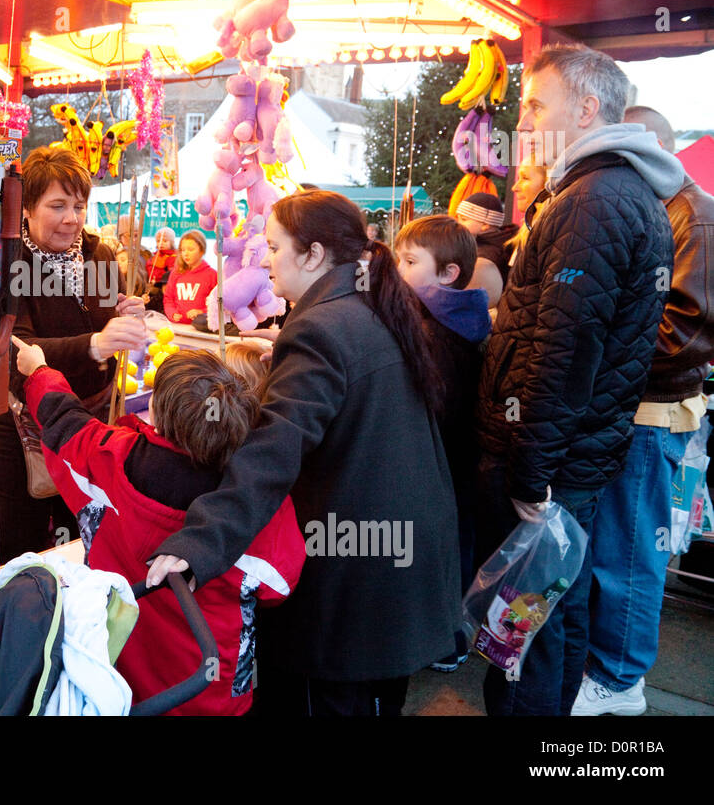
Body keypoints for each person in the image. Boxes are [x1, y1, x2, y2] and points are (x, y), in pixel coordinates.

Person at [148, 191, 460, 716]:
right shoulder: (370, 306)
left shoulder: (319, 328)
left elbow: (273, 450)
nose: (266, 261)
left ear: (313, 255)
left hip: (354, 582)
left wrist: (202, 540)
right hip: (402, 566)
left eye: (274, 248)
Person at [475, 45, 684, 717]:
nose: (525, 117)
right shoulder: (610, 190)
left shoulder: (593, 200)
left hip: (554, 466)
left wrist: (532, 476)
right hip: (573, 461)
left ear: (587, 108)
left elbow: (562, 356)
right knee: (551, 616)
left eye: (537, 103)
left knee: (527, 630)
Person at [15, 341, 304, 715]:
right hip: (209, 691)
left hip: (116, 681)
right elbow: (278, 586)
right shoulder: (259, 502)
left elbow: (64, 420)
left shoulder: (110, 457)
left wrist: (40, 371)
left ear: (158, 414)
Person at [574, 106, 714, 715]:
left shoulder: (696, 215)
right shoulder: (663, 206)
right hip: (627, 406)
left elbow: (686, 330)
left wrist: (595, 347)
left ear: (653, 146)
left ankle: (621, 679)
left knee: (630, 549)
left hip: (652, 411)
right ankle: (609, 666)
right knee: (614, 544)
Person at [0, 147, 146, 561]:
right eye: (57, 206)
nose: (72, 219)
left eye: (79, 206)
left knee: (83, 532)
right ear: (26, 208)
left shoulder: (97, 255)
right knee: (23, 542)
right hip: (28, 425)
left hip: (89, 421)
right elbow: (18, 349)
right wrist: (97, 342)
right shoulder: (10, 261)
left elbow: (99, 320)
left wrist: (122, 313)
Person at [395, 214, 491, 671]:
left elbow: (430, 406)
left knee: (442, 556)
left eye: (410, 260)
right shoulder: (463, 319)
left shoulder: (432, 330)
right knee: (456, 549)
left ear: (448, 273)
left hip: (442, 465)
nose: (398, 269)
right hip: (461, 464)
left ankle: (447, 640)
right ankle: (451, 636)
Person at [457, 191, 517, 305]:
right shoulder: (492, 244)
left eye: (464, 219)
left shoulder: (487, 253)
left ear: (485, 224)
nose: (458, 223)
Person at [507, 150, 550, 270]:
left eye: (525, 178)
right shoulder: (528, 228)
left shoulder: (547, 232)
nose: (514, 187)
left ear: (547, 183)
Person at [162, 230, 217, 324]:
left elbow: (217, 304)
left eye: (191, 249)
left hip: (200, 329)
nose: (186, 254)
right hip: (178, 327)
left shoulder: (212, 275)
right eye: (183, 250)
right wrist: (172, 313)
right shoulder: (176, 273)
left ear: (202, 250)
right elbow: (168, 299)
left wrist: (201, 312)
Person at [146, 227, 177, 314]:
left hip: (164, 286)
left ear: (172, 242)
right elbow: (149, 267)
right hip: (153, 284)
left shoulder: (173, 257)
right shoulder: (154, 256)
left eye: (164, 241)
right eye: (158, 241)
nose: (161, 243)